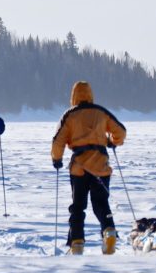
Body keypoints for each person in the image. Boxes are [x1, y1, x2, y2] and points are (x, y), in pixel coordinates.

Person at [51, 81, 127, 255]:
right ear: (91, 94)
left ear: (73, 96)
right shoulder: (101, 112)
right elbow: (121, 131)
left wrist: (57, 159)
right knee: (101, 203)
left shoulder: (69, 115)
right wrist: (113, 142)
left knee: (78, 206)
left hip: (79, 168)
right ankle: (109, 231)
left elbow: (58, 140)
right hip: (100, 165)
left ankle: (77, 242)